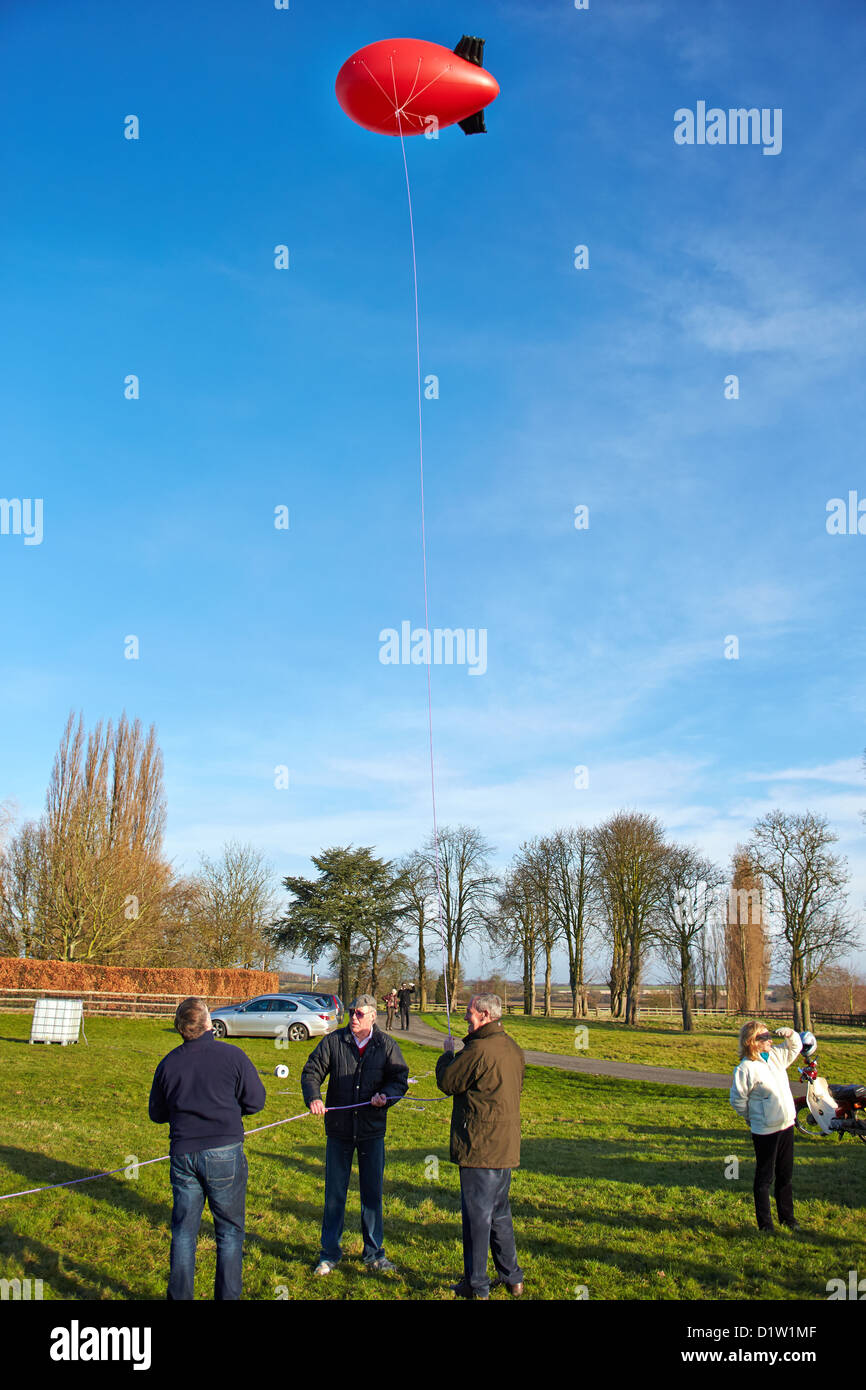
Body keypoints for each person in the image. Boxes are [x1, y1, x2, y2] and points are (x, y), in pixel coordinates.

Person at [148, 996, 266, 1300]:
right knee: (228, 1233)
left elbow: (157, 1114)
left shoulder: (168, 1063)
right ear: (206, 1023)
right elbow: (255, 1102)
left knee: (184, 1233)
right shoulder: (233, 1056)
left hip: (184, 1154)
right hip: (223, 1152)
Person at [301, 993, 409, 1275]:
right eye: (351, 1012)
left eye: (359, 1014)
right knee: (335, 1194)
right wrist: (313, 1097)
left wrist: (386, 1096)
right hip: (339, 1130)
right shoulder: (334, 1041)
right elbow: (311, 1071)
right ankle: (329, 1254)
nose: (353, 1018)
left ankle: (374, 1253)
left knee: (371, 1194)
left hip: (372, 1132)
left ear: (373, 1016)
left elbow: (399, 1080)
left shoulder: (386, 1045)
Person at [435, 993, 526, 1300]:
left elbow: (448, 1082)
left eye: (470, 1013)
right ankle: (513, 1278)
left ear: (486, 1016)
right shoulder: (513, 1048)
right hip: (506, 1147)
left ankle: (477, 1286)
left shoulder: (477, 1050)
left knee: (477, 1220)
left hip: (480, 1149)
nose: (465, 1018)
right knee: (500, 1214)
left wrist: (447, 1055)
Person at [730, 1021, 803, 1235]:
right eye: (764, 1037)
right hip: (765, 1131)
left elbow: (794, 1048)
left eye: (770, 1036)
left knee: (785, 1174)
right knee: (765, 1178)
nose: (770, 1040)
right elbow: (737, 1099)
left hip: (786, 1123)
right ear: (752, 1042)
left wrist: (791, 1035)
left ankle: (787, 1218)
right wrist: (752, 1118)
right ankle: (765, 1224)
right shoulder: (745, 1068)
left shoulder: (774, 1057)